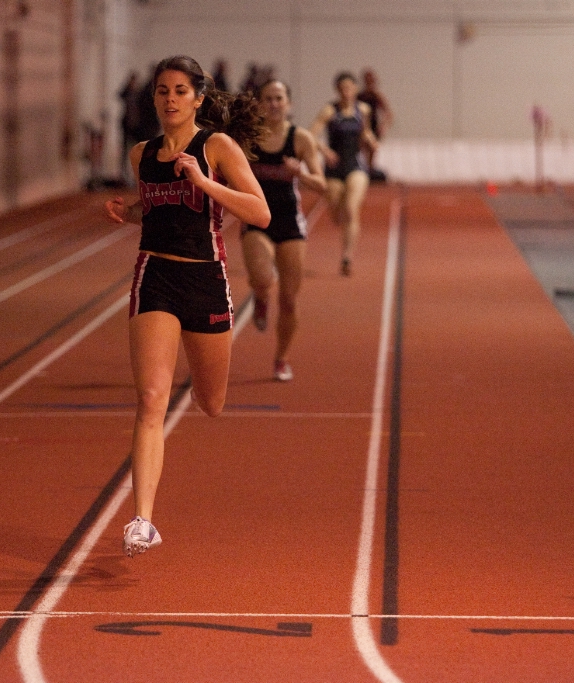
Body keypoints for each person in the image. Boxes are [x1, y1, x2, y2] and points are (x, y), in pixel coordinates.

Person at [105, 55, 270, 557]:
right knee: (152, 398)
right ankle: (143, 520)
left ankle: (204, 394)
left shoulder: (216, 146)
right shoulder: (142, 154)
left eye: (180, 91)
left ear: (198, 98)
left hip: (205, 279)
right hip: (155, 274)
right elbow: (158, 211)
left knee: (211, 403)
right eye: (162, 91)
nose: (170, 99)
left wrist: (203, 182)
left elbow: (258, 211)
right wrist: (128, 211)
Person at [239, 80, 326, 382]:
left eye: (279, 98)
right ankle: (261, 297)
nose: (274, 104)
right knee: (263, 279)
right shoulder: (248, 138)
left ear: (288, 103)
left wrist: (299, 172)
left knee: (289, 299)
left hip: (289, 221)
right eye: (268, 99)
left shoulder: (300, 139)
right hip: (256, 219)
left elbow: (322, 185)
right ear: (259, 104)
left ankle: (281, 358)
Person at [310, 71, 378, 276]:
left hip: (356, 166)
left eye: (350, 88)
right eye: (342, 89)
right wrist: (324, 150)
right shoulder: (329, 111)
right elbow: (310, 135)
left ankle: (347, 257)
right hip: (333, 168)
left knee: (351, 209)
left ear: (355, 89)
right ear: (337, 90)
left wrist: (370, 141)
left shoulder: (363, 110)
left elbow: (364, 131)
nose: (346, 92)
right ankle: (342, 225)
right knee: (337, 215)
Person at [357, 69, 393, 175]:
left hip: (374, 127)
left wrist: (383, 127)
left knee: (372, 150)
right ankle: (364, 169)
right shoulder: (360, 96)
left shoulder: (376, 96)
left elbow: (388, 113)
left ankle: (370, 169)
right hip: (361, 128)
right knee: (362, 149)